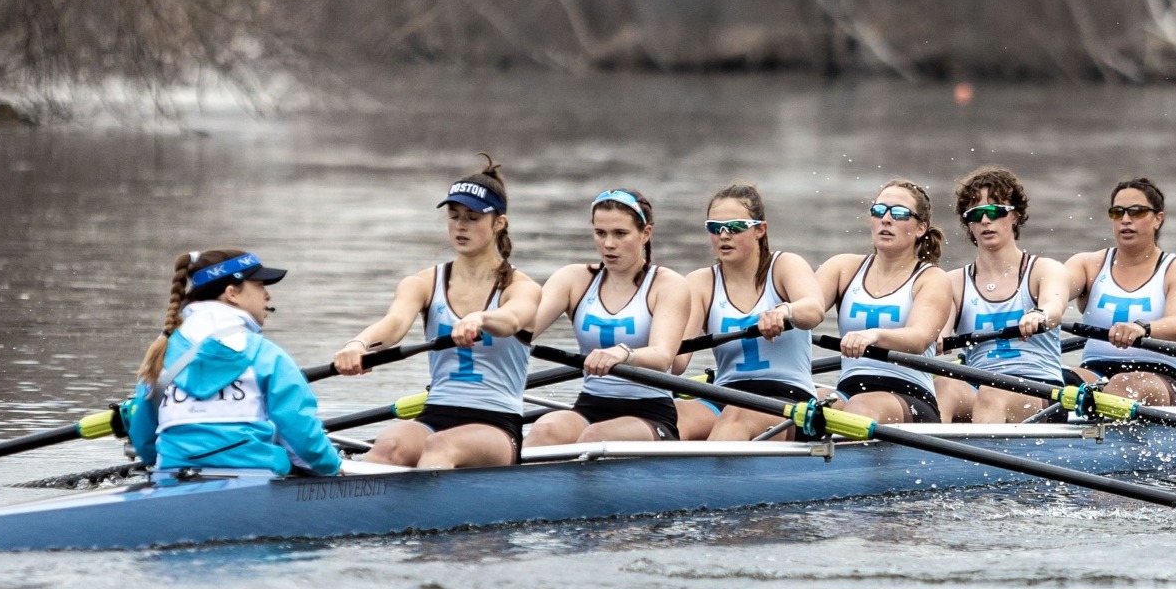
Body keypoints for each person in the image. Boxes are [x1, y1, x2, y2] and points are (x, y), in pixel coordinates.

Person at [331, 155, 541, 468]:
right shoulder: (424, 282)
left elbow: (511, 320)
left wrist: (480, 318)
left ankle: (417, 517)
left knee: (440, 446)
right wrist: (357, 344)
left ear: (499, 223)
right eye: (454, 216)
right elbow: (394, 325)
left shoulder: (521, 287)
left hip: (497, 424)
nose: (460, 225)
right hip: (436, 413)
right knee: (389, 444)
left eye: (472, 217)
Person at [127, 249, 341, 476]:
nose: (267, 295)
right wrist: (331, 468)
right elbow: (301, 433)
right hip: (255, 481)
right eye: (259, 285)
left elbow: (144, 437)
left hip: (173, 477)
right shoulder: (265, 355)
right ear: (232, 294)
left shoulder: (160, 353)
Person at [525, 189, 691, 446]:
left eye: (620, 234)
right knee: (544, 429)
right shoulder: (573, 279)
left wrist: (624, 353)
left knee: (596, 437)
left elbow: (662, 356)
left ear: (645, 234)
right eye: (600, 233)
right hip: (590, 407)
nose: (609, 244)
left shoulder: (667, 285)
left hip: (649, 413)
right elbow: (522, 331)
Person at [676, 183, 827, 442]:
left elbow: (814, 309)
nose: (724, 236)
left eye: (734, 227)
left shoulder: (784, 266)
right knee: (671, 414)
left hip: (789, 401)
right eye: (715, 228)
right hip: (724, 395)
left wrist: (785, 311)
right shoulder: (700, 283)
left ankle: (703, 479)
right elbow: (677, 362)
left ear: (760, 229)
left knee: (737, 416)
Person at [814, 179, 953, 424]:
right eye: (879, 211)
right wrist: (782, 314)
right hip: (849, 390)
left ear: (921, 228)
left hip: (910, 396)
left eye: (899, 213)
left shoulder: (932, 278)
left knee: (860, 407)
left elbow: (919, 338)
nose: (886, 219)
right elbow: (807, 308)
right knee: (810, 404)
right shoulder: (842, 268)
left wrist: (874, 335)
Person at [936, 166, 1069, 423]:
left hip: (1041, 390)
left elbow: (1054, 306)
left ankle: (976, 461)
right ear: (969, 224)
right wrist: (935, 340)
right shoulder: (952, 282)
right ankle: (926, 461)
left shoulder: (1043, 269)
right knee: (943, 385)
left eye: (995, 211)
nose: (986, 220)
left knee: (992, 393)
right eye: (976, 214)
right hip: (979, 385)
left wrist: (1040, 314)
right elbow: (940, 331)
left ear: (1015, 216)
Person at [1064, 177, 1176, 405]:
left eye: (1136, 212)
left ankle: (1102, 435)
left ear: (1158, 219)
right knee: (1053, 382)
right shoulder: (1087, 265)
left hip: (1163, 376)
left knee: (1122, 385)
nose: (1125, 220)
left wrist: (1142, 328)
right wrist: (1040, 311)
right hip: (1095, 370)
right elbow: (1052, 294)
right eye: (1117, 212)